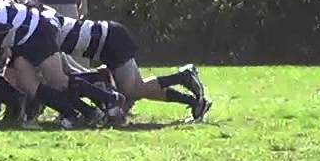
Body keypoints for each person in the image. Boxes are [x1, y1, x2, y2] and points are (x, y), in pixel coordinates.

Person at [0, 0, 121, 128]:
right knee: (25, 83)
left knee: (58, 81)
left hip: (35, 32)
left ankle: (108, 100)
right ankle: (81, 112)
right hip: (24, 35)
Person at [55, 15, 210, 121]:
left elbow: (62, 71)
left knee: (132, 91)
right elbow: (66, 66)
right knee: (137, 89)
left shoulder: (45, 29)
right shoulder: (48, 20)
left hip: (111, 41)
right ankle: (195, 102)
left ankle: (183, 77)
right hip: (109, 38)